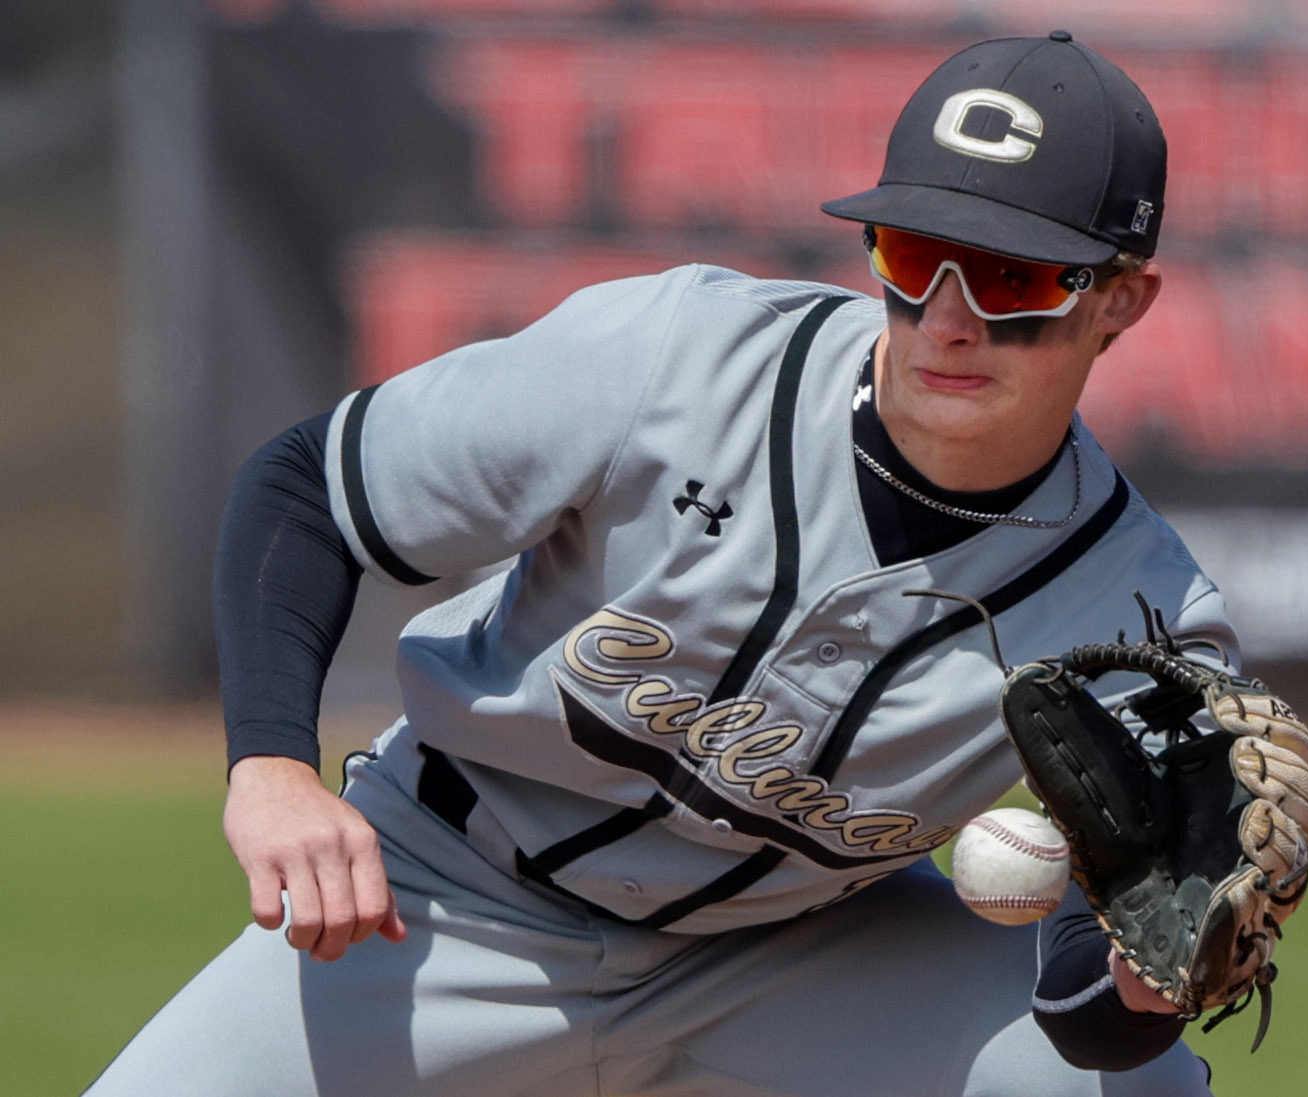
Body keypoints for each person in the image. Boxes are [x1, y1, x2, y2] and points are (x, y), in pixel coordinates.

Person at [88, 33, 1240, 1097]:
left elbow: (1091, 1011)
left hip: (797, 959)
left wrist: (1138, 985)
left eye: (1012, 278)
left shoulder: (1141, 615)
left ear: (1120, 301)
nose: (947, 318)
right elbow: (309, 488)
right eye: (916, 255)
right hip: (442, 892)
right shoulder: (678, 358)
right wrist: (272, 769)